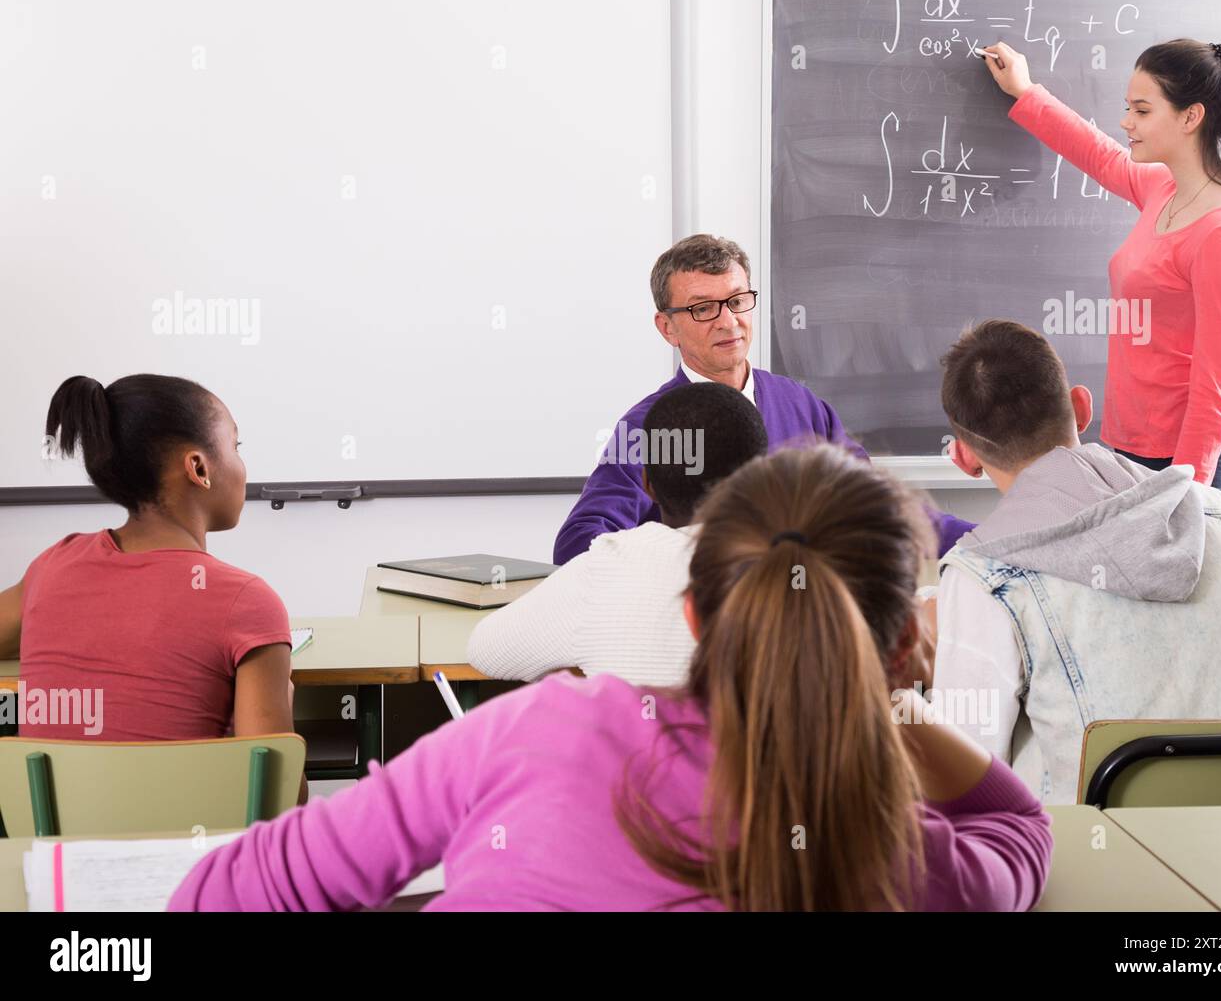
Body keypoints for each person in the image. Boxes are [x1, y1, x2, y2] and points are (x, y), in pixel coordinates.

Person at [170, 445, 1051, 912]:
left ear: (695, 620)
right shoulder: (893, 856)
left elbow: (227, 891)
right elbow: (1017, 827)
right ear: (904, 648)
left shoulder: (537, 732)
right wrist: (884, 695)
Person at [932, 319, 1221, 804]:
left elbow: (964, 771)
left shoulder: (983, 577)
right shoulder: (1217, 514)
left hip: (1104, 865)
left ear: (965, 456)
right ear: (1080, 406)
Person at [553, 233, 973, 564]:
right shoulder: (651, 426)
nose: (728, 321)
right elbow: (579, 544)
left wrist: (984, 543)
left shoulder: (803, 406)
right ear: (667, 328)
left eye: (737, 301)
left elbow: (876, 508)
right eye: (703, 309)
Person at [982, 39, 1221, 498]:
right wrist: (1026, 91)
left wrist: (1186, 490)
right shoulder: (1165, 188)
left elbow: (1218, 385)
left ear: (1190, 117)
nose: (1126, 123)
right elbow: (1101, 156)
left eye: (1141, 111)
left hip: (1186, 463)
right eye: (1128, 108)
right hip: (1132, 449)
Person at [0, 375, 297, 773]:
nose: (242, 464)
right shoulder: (249, 603)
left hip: (50, 836)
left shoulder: (50, 568)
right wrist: (285, 701)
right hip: (195, 836)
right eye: (236, 447)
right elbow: (278, 802)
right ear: (198, 467)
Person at [469, 382, 767, 685]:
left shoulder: (604, 567)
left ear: (647, 483)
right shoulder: (799, 565)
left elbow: (485, 651)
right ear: (762, 482)